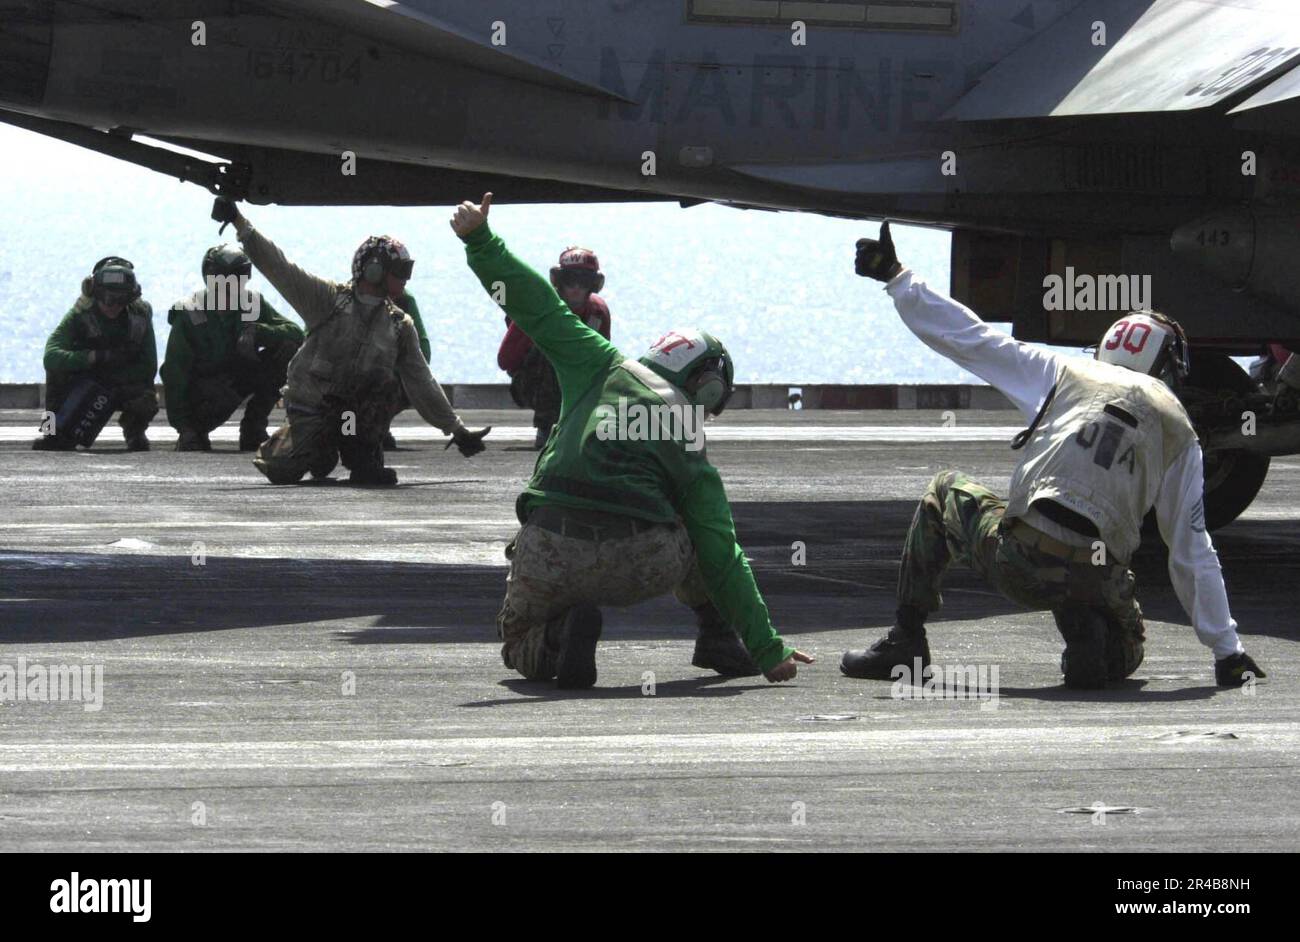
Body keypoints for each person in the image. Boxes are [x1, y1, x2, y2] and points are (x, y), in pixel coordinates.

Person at [841, 222, 1266, 690]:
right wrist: (1229, 653)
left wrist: (899, 278)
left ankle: (906, 639)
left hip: (1019, 561)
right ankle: (1096, 637)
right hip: (1097, 574)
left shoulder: (1064, 372)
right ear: (1168, 365)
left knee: (944, 489)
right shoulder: (1179, 430)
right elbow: (1191, 551)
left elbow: (970, 338)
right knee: (1127, 649)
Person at [453, 192, 812, 688]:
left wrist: (480, 242)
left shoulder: (597, 360)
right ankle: (719, 638)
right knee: (698, 535)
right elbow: (722, 551)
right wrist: (769, 649)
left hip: (551, 548)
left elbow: (534, 303)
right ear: (704, 385)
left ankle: (554, 641)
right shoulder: (686, 432)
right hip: (641, 564)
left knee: (516, 643)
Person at [209, 197, 490, 484]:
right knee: (283, 472)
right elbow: (280, 268)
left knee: (387, 386)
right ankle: (312, 448)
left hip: (357, 417)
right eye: (401, 270)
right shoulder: (327, 301)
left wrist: (456, 429)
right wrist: (239, 222)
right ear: (375, 270)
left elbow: (421, 380)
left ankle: (363, 458)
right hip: (313, 410)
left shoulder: (398, 324)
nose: (406, 278)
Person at [161, 244, 304, 452]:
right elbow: (175, 374)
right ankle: (195, 431)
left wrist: (259, 331)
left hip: (237, 379)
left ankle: (253, 427)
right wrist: (184, 427)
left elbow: (295, 333)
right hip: (205, 398)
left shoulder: (251, 303)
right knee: (196, 425)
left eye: (236, 279)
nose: (229, 286)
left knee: (288, 349)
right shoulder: (190, 313)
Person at [33, 256, 158, 452]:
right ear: (95, 293)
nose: (113, 305)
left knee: (146, 399)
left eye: (121, 299)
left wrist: (115, 379)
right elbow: (51, 356)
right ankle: (50, 431)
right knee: (55, 374)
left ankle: (135, 432)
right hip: (88, 378)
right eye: (108, 298)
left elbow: (148, 366)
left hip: (122, 381)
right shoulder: (80, 315)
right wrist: (91, 357)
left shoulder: (140, 316)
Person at [498, 247, 611, 449]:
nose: (576, 288)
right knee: (553, 354)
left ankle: (588, 427)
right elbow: (506, 360)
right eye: (570, 280)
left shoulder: (598, 313)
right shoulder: (537, 308)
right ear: (559, 282)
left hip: (580, 381)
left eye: (583, 281)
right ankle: (545, 427)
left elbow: (604, 359)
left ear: (594, 284)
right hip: (533, 384)